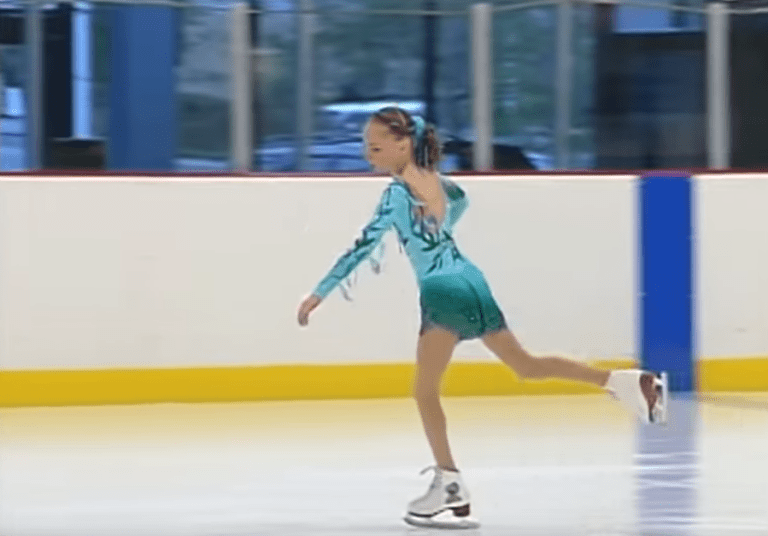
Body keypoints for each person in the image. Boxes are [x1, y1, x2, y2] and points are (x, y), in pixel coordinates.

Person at [297, 106, 667, 530]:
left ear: (404, 145)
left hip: (442, 288)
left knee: (425, 391)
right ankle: (626, 383)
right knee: (525, 365)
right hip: (470, 277)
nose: (367, 153)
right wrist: (437, 231)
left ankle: (450, 484)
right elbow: (459, 202)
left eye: (375, 146)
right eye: (366, 145)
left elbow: (361, 248)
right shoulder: (439, 184)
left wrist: (318, 293)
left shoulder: (396, 194)